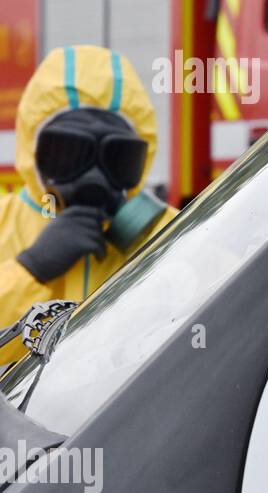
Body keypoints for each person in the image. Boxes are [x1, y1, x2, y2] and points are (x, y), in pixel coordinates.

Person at [0, 46, 176, 365]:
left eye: (117, 157)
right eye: (68, 153)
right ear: (33, 148)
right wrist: (31, 269)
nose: (93, 177)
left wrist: (161, 253)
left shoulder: (169, 231)